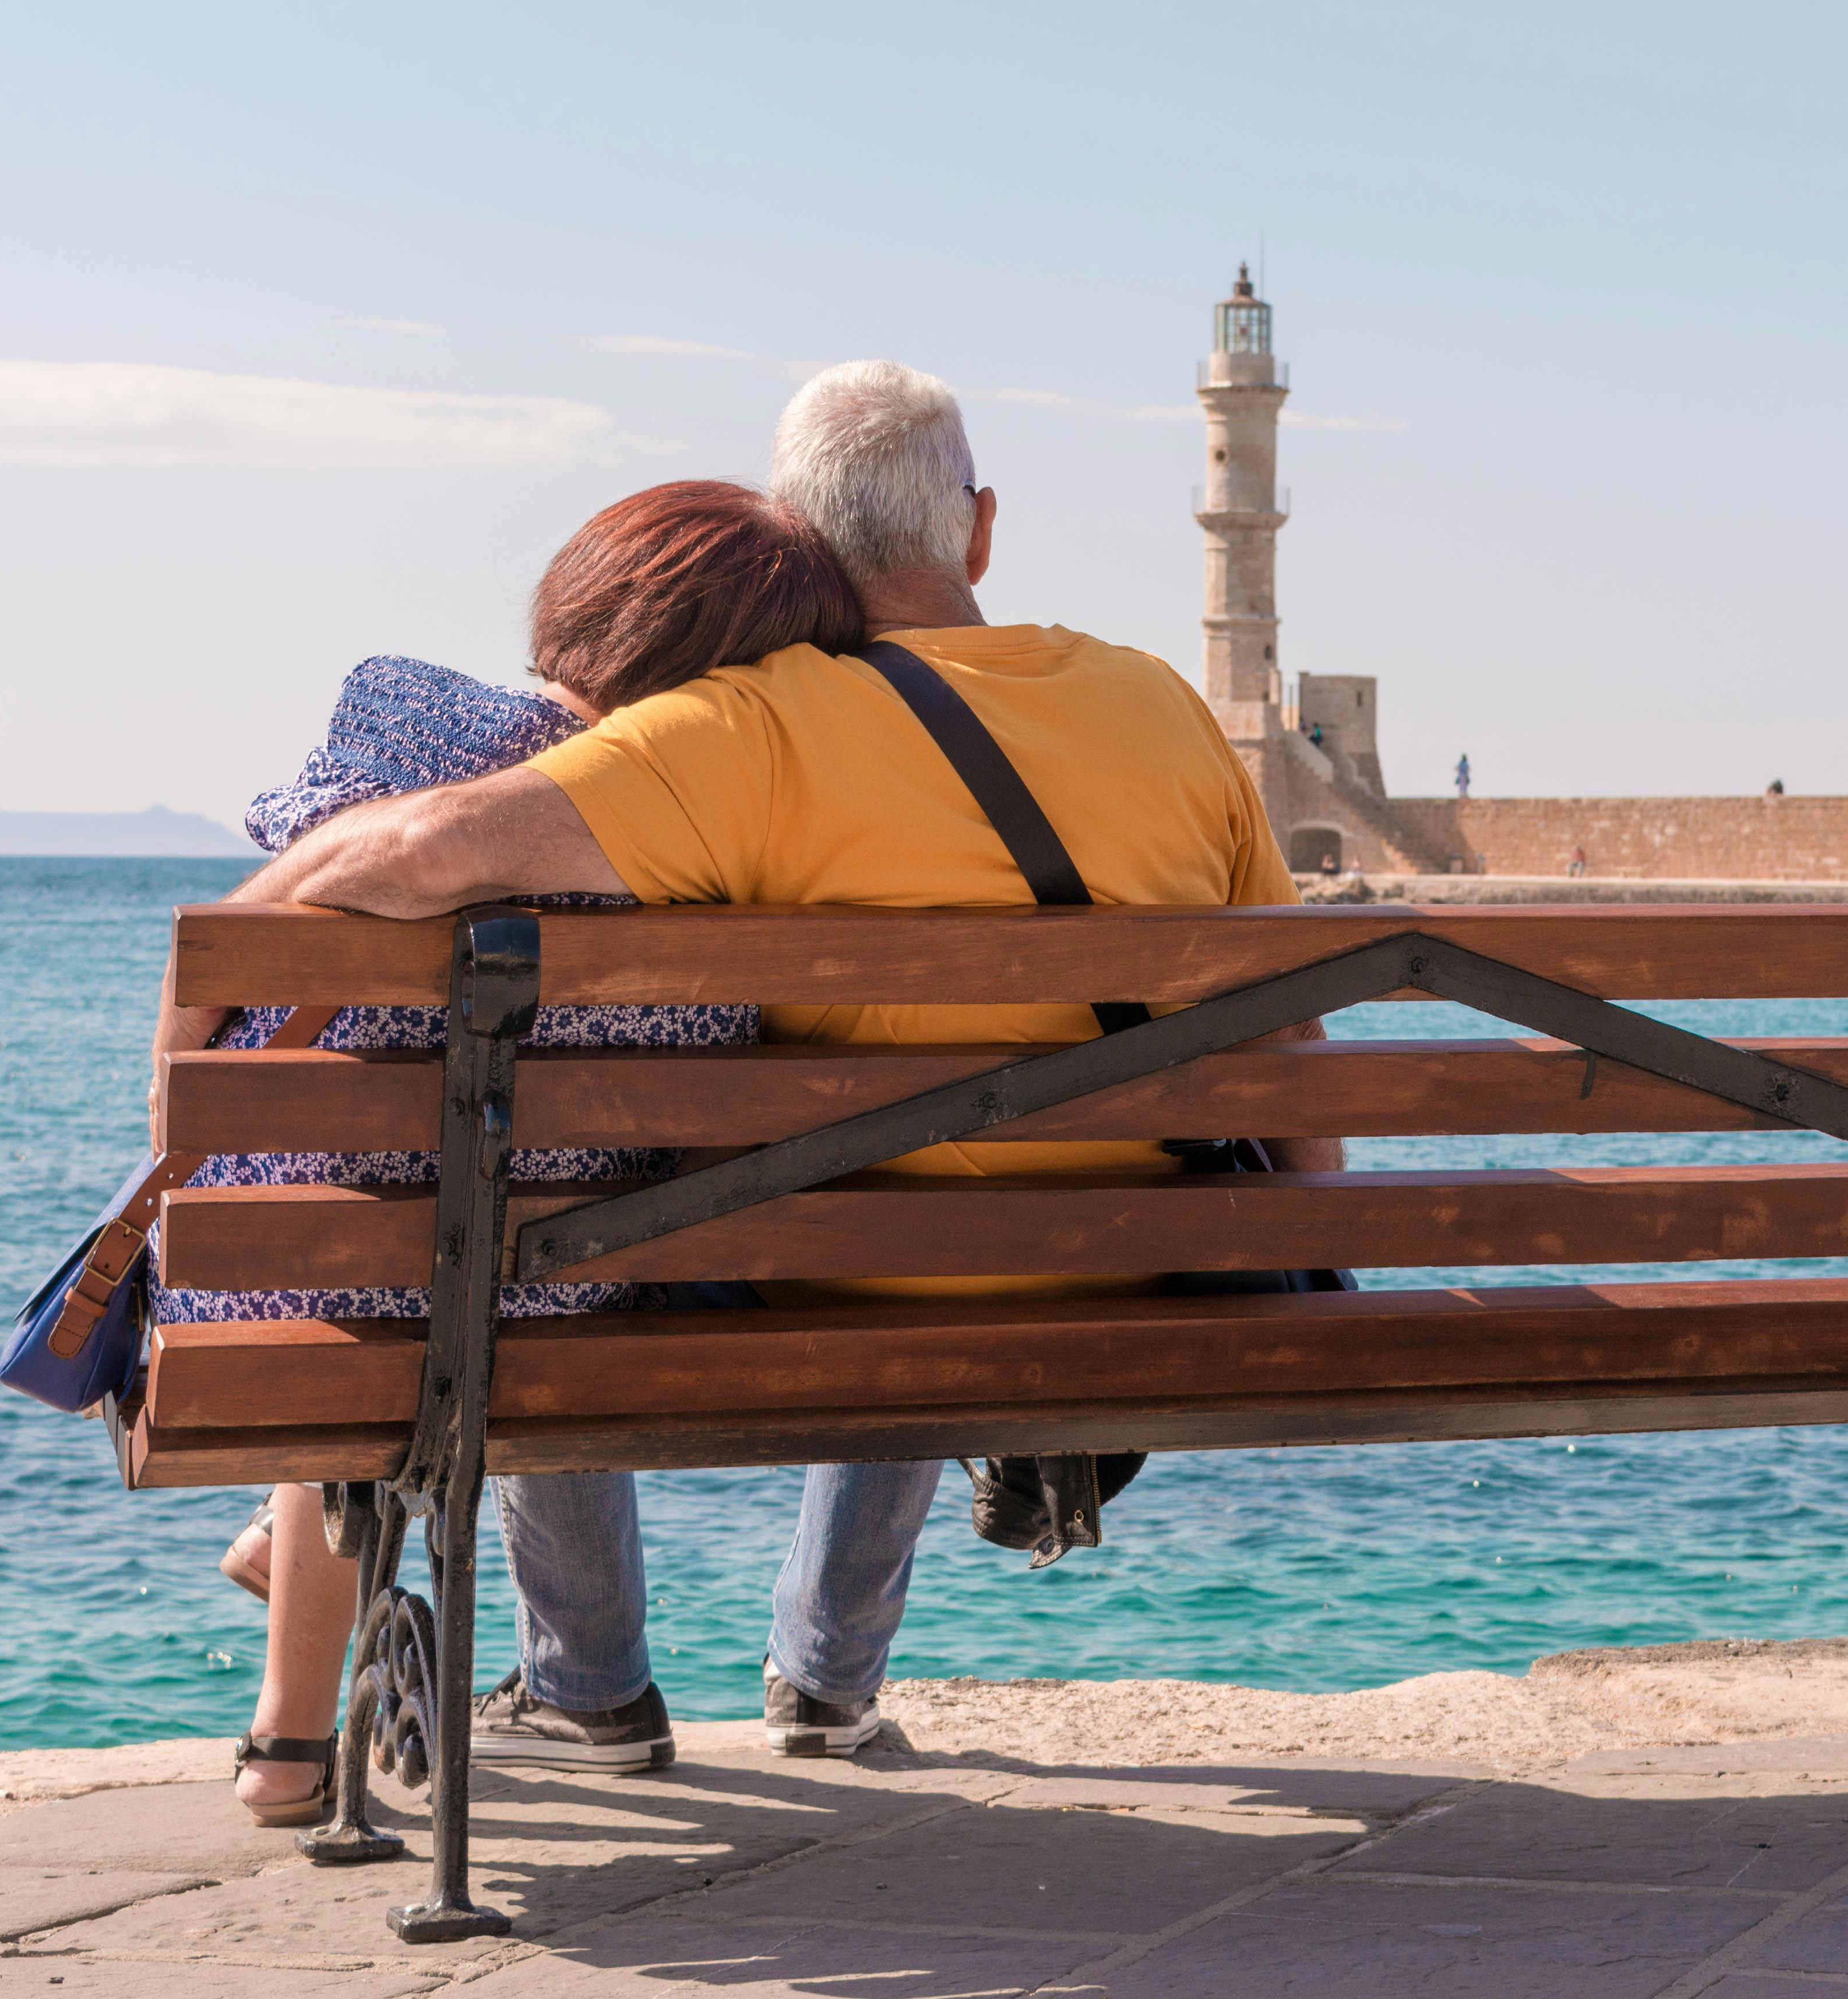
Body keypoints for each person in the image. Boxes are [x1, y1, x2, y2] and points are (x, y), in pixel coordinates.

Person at [186, 361, 1338, 1767]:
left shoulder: (755, 722)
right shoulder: (1161, 705)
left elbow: (418, 853)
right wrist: (1303, 1237)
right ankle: (829, 1685)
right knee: (918, 1174)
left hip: (834, 1273)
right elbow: (1294, 1027)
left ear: (793, 537)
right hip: (1133, 1268)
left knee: (566, 1218)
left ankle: (588, 1689)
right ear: (977, 530)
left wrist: (213, 979)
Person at [160, 482, 864, 1825]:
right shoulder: (735, 839)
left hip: (330, 1278)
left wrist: (189, 1116)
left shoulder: (413, 723)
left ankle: (288, 1750)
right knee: (439, 1246)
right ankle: (291, 1733)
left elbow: (246, 966)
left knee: (355, 1262)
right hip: (560, 1288)